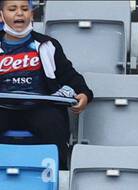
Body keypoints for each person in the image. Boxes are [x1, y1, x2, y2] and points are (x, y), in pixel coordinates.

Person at [0, 0, 92, 167]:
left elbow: (70, 77)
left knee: (54, 123)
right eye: (12, 9)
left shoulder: (48, 45)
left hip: (39, 107)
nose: (19, 13)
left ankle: (59, 177)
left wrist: (84, 94)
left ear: (32, 15)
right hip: (3, 107)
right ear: (1, 15)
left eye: (24, 9)